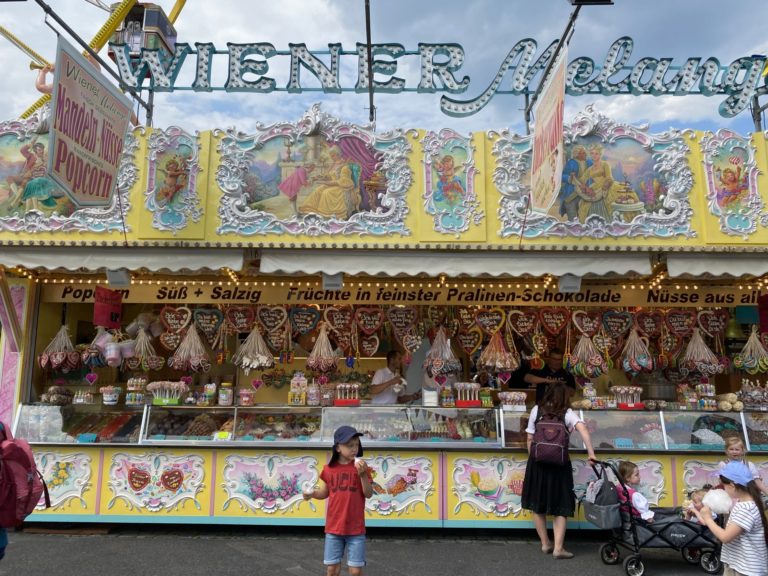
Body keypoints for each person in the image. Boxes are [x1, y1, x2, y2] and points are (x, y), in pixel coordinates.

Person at [521, 383, 597, 559]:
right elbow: (583, 429)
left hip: (537, 464)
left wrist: (533, 457)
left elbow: (529, 437)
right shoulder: (568, 413)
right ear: (565, 397)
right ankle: (558, 548)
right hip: (560, 464)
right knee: (561, 505)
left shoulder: (537, 410)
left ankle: (545, 544)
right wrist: (591, 453)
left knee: (537, 504)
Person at [303, 425, 374, 576]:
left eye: (356, 444)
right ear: (338, 448)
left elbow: (368, 494)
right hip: (334, 527)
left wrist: (362, 475)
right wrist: (311, 494)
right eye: (350, 445)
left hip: (356, 528)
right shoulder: (329, 469)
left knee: (355, 571)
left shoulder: (362, 468)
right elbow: (324, 492)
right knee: (332, 569)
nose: (354, 448)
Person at [692, 461, 768, 576]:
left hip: (747, 569)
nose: (723, 489)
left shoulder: (746, 508)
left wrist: (707, 518)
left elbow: (725, 537)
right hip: (737, 563)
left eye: (723, 486)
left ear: (732, 486)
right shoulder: (743, 502)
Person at [298, 147, 360, 219]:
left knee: (326, 192)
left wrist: (326, 183)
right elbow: (328, 176)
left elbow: (344, 181)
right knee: (318, 190)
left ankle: (325, 214)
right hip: (331, 184)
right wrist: (317, 178)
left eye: (333, 155)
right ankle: (309, 210)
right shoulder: (333, 165)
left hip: (340, 186)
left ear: (338, 155)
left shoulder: (345, 166)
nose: (332, 157)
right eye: (331, 156)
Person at [558, 144, 591, 220]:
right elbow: (562, 176)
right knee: (572, 218)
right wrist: (570, 178)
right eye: (582, 153)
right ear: (577, 154)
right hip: (571, 195)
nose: (584, 154)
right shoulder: (571, 163)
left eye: (584, 152)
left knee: (584, 217)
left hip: (584, 194)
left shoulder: (589, 163)